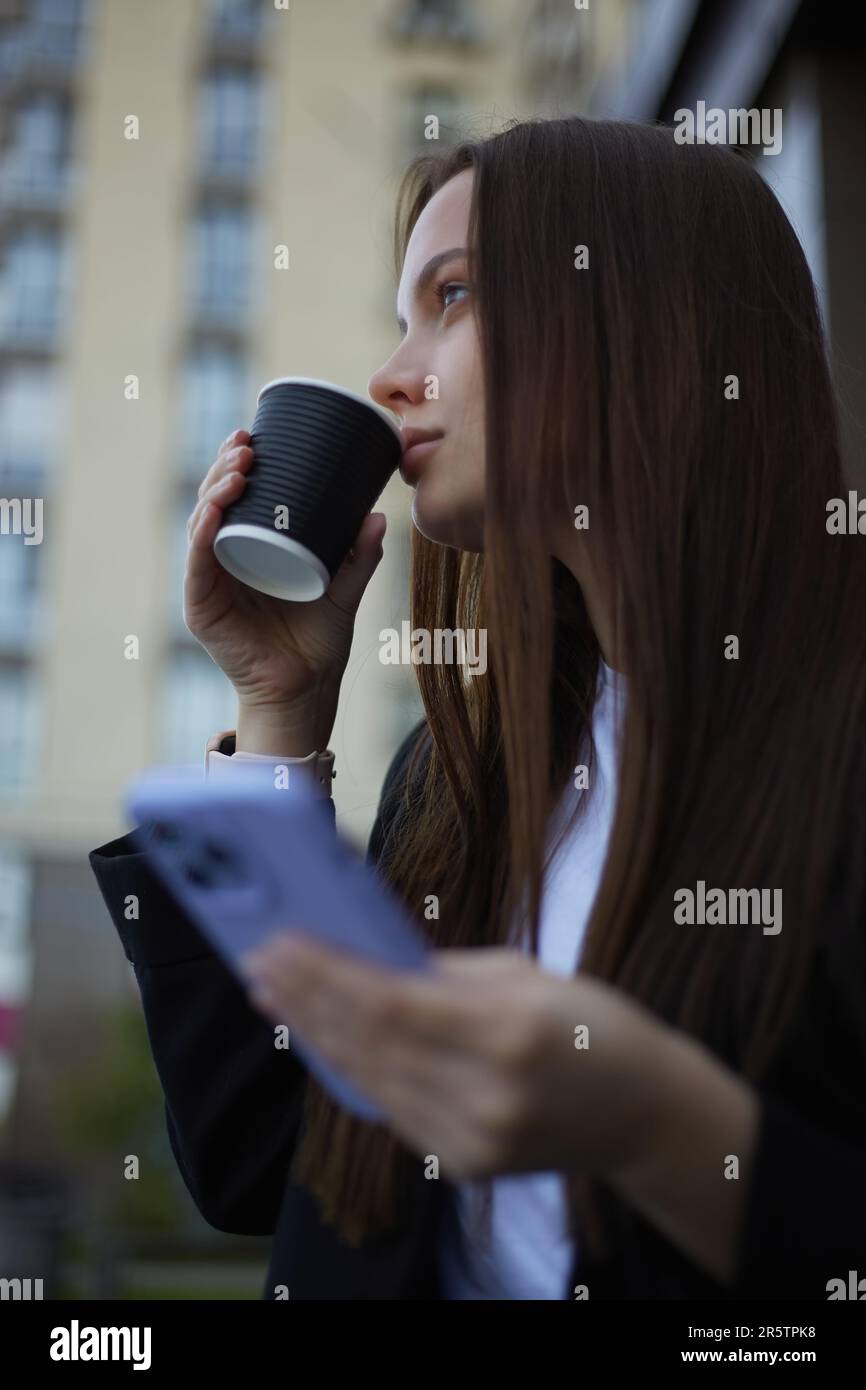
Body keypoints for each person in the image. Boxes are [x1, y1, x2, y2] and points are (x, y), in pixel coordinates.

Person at [90, 115, 866, 1300]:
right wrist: (277, 705)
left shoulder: (835, 752)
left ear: (644, 321)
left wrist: (658, 1124)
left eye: (452, 297)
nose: (391, 375)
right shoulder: (457, 774)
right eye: (404, 314)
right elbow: (260, 1162)